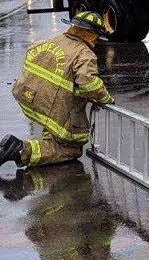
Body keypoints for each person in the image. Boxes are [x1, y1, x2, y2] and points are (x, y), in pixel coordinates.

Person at [0, 11, 114, 168]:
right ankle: (19, 149)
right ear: (93, 34)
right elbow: (89, 84)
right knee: (70, 149)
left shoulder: (48, 41)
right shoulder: (84, 54)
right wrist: (105, 98)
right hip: (51, 105)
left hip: (29, 98)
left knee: (54, 127)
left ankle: (50, 136)